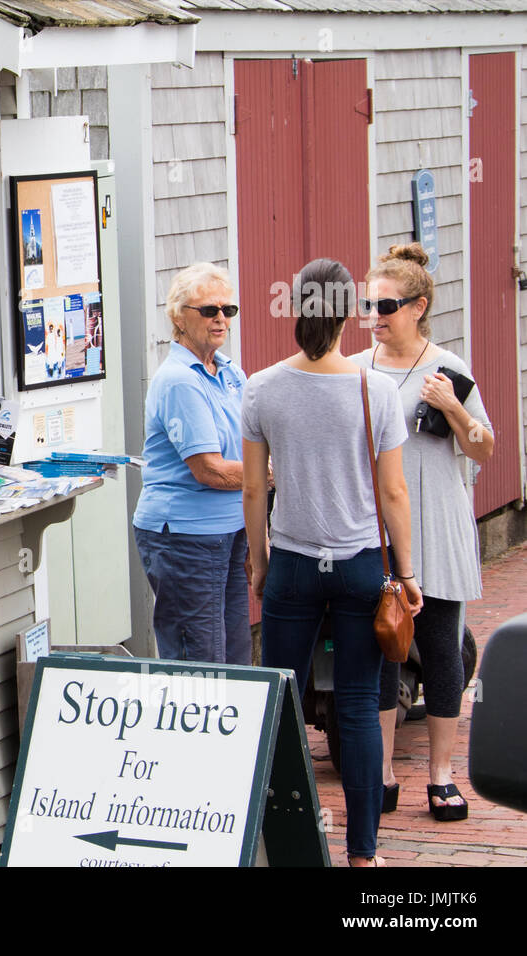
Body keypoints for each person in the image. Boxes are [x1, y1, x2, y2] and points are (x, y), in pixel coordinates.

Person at [242, 258, 423, 867]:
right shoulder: (377, 390)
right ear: (351, 312)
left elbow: (252, 490)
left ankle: (279, 842)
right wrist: (407, 573)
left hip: (291, 561)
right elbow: (393, 493)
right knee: (360, 708)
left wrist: (260, 564)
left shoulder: (262, 387)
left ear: (296, 308)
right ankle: (363, 854)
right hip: (360, 566)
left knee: (280, 702)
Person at [348, 243, 494, 822]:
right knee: (384, 648)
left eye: (387, 304)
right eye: (369, 304)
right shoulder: (354, 371)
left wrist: (453, 409)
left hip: (440, 525)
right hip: (379, 533)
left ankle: (440, 775)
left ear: (418, 306)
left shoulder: (449, 369)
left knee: (439, 653)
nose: (375, 314)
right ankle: (382, 771)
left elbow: (484, 445)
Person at [133, 262, 250, 665]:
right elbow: (210, 470)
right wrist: (273, 476)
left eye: (228, 310)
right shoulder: (181, 379)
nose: (221, 318)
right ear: (178, 317)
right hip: (185, 536)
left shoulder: (230, 372)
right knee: (199, 662)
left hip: (230, 530)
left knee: (233, 655)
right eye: (209, 310)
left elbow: (256, 443)